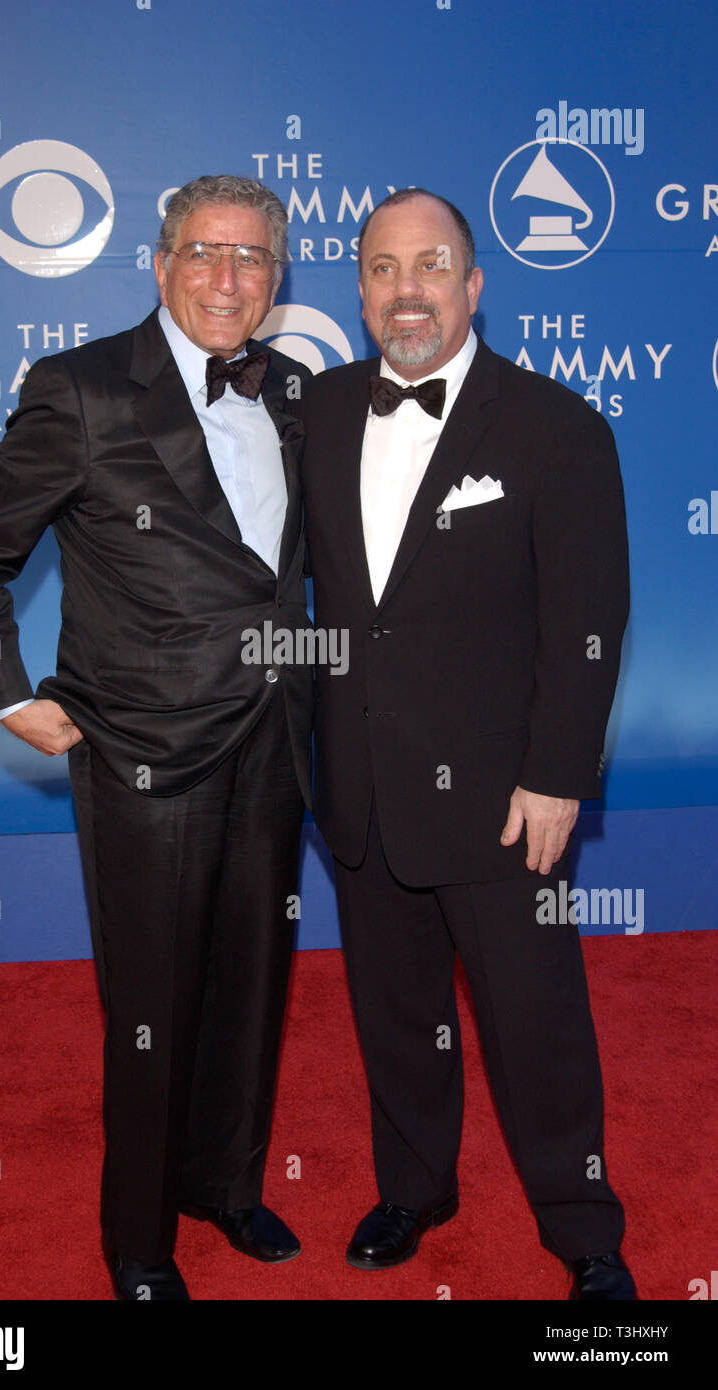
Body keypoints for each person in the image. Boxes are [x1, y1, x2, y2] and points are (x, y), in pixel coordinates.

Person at [0, 174, 312, 1302]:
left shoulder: (296, 390)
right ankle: (140, 1239)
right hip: (144, 743)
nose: (226, 278)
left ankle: (224, 1186)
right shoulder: (82, 389)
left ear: (277, 279)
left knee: (252, 979)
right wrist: (8, 694)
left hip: (276, 736)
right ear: (159, 265)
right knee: (151, 1000)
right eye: (204, 253)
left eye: (251, 258)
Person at [298, 188, 636, 1300]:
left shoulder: (555, 426)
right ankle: (414, 1188)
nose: (407, 292)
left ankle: (582, 1224)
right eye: (384, 269)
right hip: (361, 784)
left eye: (430, 266)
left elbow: (587, 620)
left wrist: (555, 775)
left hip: (502, 795)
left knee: (534, 1020)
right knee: (394, 1012)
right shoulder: (321, 411)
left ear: (473, 283)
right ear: (357, 290)